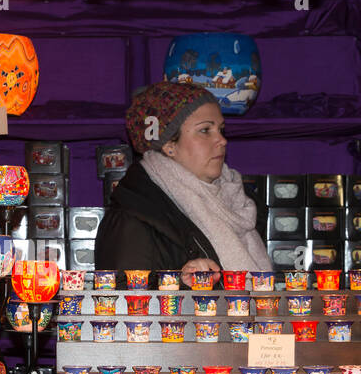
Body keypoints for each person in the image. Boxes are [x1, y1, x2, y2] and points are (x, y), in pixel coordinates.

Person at [95, 81, 272, 285]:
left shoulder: (241, 205)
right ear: (169, 145)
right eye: (205, 130)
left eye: (221, 129)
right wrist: (181, 284)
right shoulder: (132, 218)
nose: (222, 140)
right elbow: (124, 307)